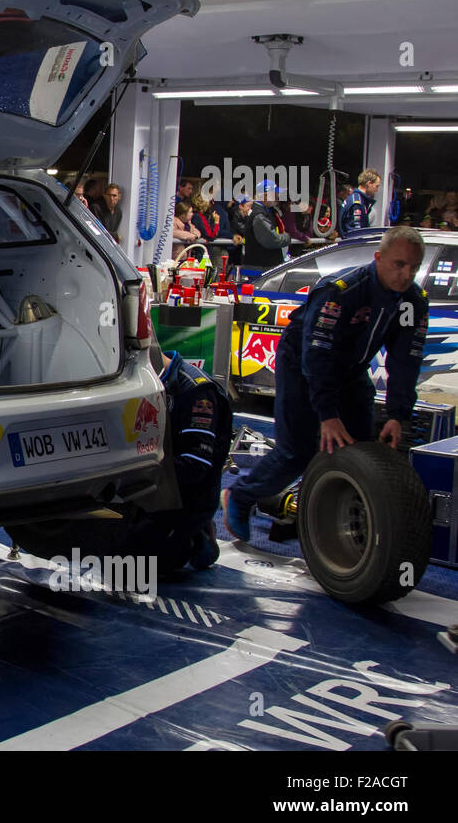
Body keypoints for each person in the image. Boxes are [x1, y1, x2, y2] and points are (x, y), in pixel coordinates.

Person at [223, 227, 428, 542]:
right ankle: (240, 495)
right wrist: (327, 415)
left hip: (351, 368)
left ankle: (325, 517)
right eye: (399, 264)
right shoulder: (342, 291)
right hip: (302, 362)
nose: (406, 274)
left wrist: (399, 414)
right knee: (298, 449)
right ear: (378, 258)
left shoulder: (412, 301)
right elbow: (316, 357)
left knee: (358, 449)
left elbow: (405, 362)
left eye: (414, 267)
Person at [133, 350, 231, 571]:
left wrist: (135, 476)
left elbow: (196, 465)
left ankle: (198, 537)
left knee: (131, 568)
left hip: (185, 497)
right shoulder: (136, 385)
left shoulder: (196, 391)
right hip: (146, 490)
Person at [242, 180, 290, 269]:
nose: (277, 197)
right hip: (260, 268)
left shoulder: (267, 211)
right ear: (266, 196)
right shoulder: (259, 215)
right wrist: (287, 237)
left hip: (264, 266)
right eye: (275, 194)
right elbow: (272, 240)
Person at [338, 168, 382, 235]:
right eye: (377, 186)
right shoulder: (357, 203)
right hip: (353, 243)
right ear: (369, 184)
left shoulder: (357, 199)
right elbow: (355, 232)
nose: (377, 190)